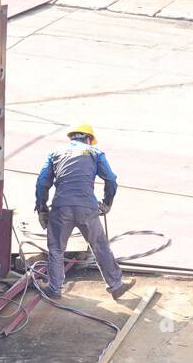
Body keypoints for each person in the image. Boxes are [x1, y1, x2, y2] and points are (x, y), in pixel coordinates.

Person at [34, 121, 134, 302]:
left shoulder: (55, 153)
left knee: (56, 249)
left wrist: (42, 208)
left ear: (71, 137)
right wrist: (107, 202)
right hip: (87, 208)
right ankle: (116, 286)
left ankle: (55, 289)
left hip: (61, 208)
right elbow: (110, 179)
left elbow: (42, 182)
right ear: (88, 139)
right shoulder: (95, 153)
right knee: (100, 246)